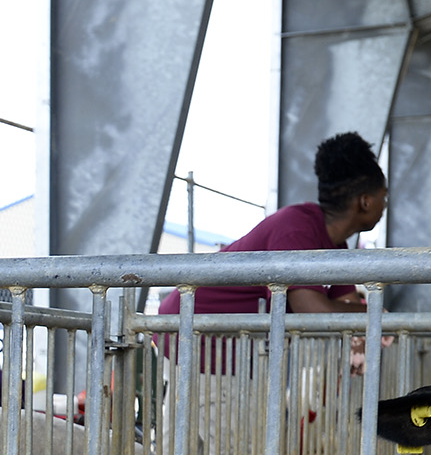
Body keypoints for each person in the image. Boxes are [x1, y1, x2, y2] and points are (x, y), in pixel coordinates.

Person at [159, 130, 387, 322]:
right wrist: (378, 316)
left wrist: (363, 332)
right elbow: (314, 311)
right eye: (383, 197)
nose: (385, 205)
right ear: (365, 202)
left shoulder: (335, 244)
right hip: (191, 336)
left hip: (231, 345)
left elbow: (345, 303)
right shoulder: (296, 230)